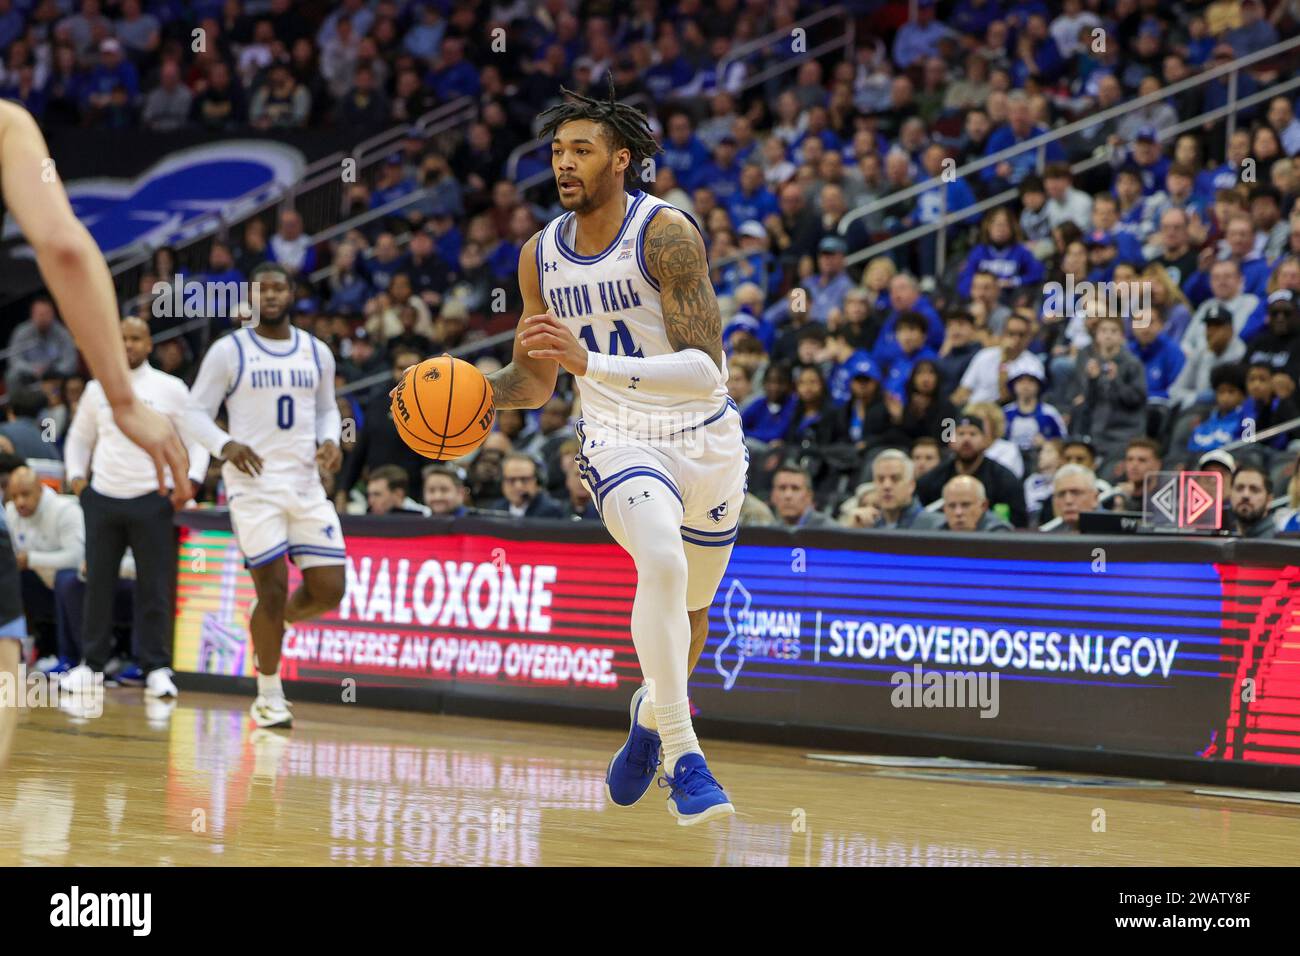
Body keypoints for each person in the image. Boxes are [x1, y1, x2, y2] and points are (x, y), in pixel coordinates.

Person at [473, 84, 745, 823]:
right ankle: (687, 759)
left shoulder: (666, 234)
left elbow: (706, 371)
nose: (564, 163)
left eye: (581, 150)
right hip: (619, 438)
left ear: (621, 160)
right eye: (558, 151)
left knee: (691, 616)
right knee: (659, 560)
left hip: (705, 436)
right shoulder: (538, 258)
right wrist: (470, 392)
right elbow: (534, 380)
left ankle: (649, 720)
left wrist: (587, 363)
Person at [0, 99, 191, 770]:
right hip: (108, 491)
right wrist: (120, 396)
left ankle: (146, 666)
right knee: (2, 649)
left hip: (142, 499)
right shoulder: (5, 123)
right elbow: (63, 247)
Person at [190, 261, 346, 729]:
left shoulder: (317, 352)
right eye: (264, 288)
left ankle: (269, 622)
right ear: (252, 297)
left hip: (304, 485)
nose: (272, 295)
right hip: (253, 488)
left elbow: (327, 410)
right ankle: (268, 695)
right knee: (272, 590)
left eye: (280, 287)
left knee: (330, 590)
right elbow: (192, 413)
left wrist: (331, 440)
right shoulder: (228, 351)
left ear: (292, 293)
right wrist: (224, 445)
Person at [62, 317, 236, 699]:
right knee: (98, 585)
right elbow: (78, 439)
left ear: (149, 344)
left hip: (153, 499)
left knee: (154, 587)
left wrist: (189, 482)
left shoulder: (170, 389)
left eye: (136, 338)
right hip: (102, 498)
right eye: (121, 337)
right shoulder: (97, 388)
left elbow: (196, 438)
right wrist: (78, 481)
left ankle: (156, 666)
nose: (128, 344)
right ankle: (91, 665)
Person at [5, 468, 83, 668]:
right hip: (40, 587)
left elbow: (77, 558)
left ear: (40, 489)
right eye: (14, 496)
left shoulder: (65, 510)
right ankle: (23, 649)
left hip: (76, 585)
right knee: (8, 579)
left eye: (25, 494)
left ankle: (73, 657)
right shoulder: (11, 513)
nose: (20, 502)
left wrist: (31, 559)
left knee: (66, 579)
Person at [916, 414, 1027, 526]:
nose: (966, 439)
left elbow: (1019, 524)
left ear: (985, 441)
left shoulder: (1005, 480)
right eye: (961, 434)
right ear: (950, 441)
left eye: (973, 434)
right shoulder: (932, 479)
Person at [854, 449, 943, 530]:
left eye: (895, 479)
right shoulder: (865, 525)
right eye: (880, 479)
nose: (886, 486)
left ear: (911, 486)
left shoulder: (936, 526)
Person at [483, 452, 566, 519]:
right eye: (511, 480)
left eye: (524, 479)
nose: (518, 486)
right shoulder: (495, 510)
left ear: (537, 481)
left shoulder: (551, 511)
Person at [938, 475, 1010, 532]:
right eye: (952, 506)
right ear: (944, 508)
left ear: (984, 506)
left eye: (965, 505)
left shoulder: (999, 533)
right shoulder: (938, 531)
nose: (958, 513)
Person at [1044, 464, 1100, 533]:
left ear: (1095, 498)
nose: (1068, 501)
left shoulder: (1114, 532)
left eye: (1076, 493)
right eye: (1061, 494)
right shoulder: (1048, 537)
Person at [1228, 464, 1277, 539]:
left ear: (1269, 500)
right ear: (1230, 494)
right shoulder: (1222, 534)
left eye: (1254, 489)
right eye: (1239, 488)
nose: (1245, 495)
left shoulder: (1279, 539)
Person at [365, 464, 431, 515]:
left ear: (398, 494)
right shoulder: (365, 518)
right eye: (369, 495)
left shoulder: (426, 516)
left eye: (377, 494)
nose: (371, 501)